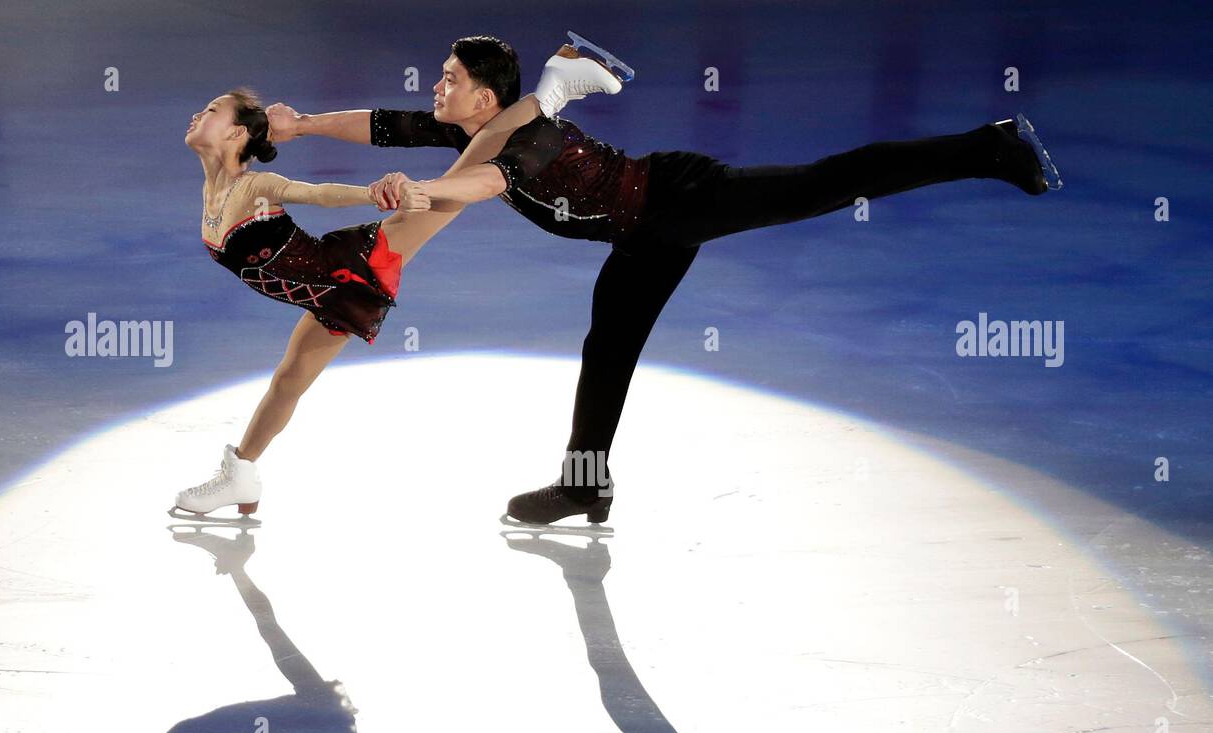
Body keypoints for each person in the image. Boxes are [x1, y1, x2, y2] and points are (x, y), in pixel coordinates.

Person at [275, 34, 1062, 525]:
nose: (434, 89)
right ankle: (585, 485)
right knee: (607, 347)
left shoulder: (517, 144)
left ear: (487, 95)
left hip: (680, 199)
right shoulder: (475, 125)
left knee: (824, 182)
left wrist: (420, 193)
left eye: (448, 79)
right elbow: (384, 123)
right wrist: (304, 124)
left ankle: (986, 148)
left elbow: (480, 186)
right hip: (639, 233)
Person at [173, 37, 627, 517]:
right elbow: (384, 125)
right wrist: (303, 125)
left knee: (462, 178)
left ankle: (552, 91)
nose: (197, 114)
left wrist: (374, 192)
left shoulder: (253, 186)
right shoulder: (213, 189)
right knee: (288, 381)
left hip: (356, 263)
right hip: (328, 297)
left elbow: (320, 193)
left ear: (235, 134)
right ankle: (242, 473)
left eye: (210, 109)